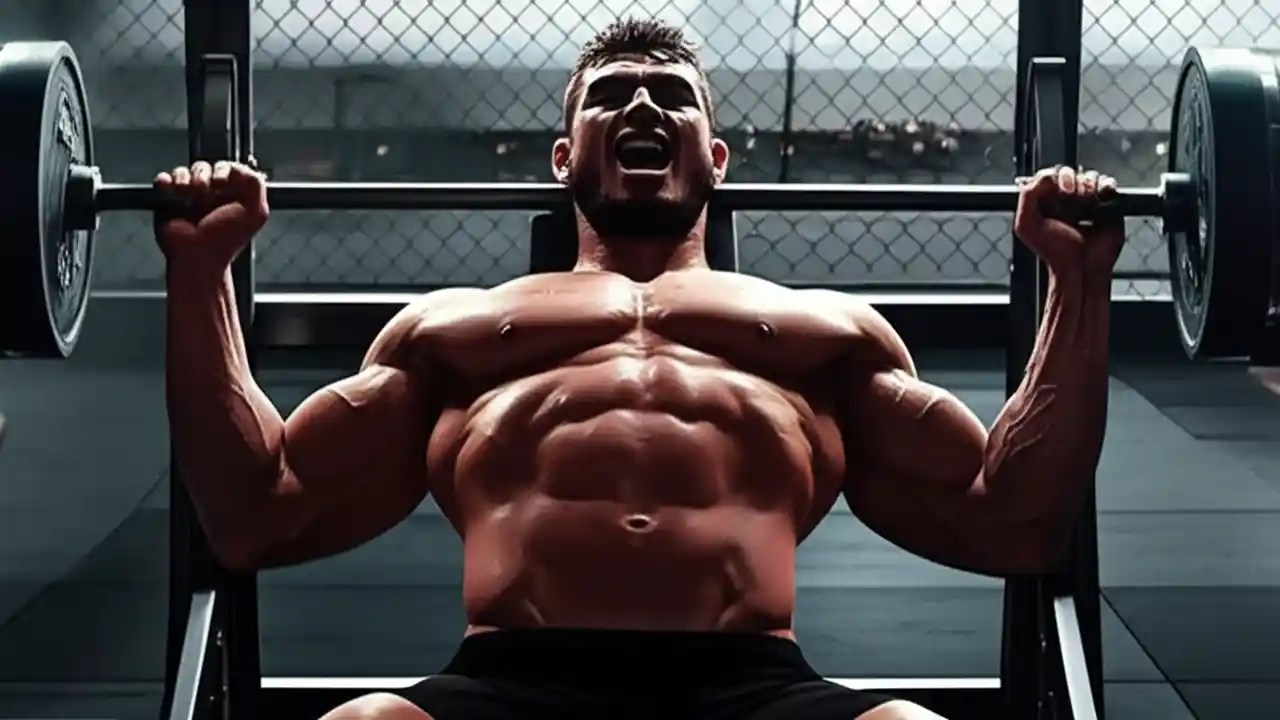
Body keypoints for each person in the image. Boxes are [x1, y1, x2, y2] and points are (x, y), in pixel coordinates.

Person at [157, 17, 1121, 720]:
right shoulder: (448, 332)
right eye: (611, 94)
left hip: (753, 683)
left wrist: (1078, 282)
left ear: (717, 155)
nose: (644, 103)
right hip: (508, 677)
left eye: (672, 95)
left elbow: (1012, 520)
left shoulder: (828, 335)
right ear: (563, 153)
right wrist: (201, 272)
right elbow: (255, 513)